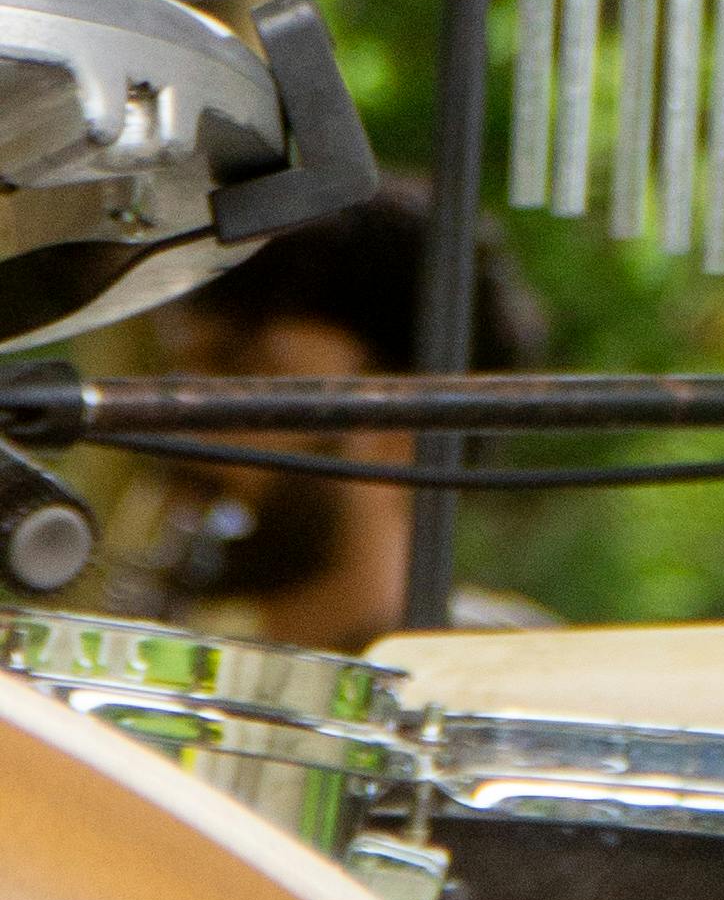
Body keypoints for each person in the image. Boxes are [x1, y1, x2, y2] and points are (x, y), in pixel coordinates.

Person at [99, 178, 544, 653]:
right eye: (176, 372)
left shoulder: (524, 688)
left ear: (407, 421)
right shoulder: (158, 673)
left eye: (241, 366)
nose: (180, 411)